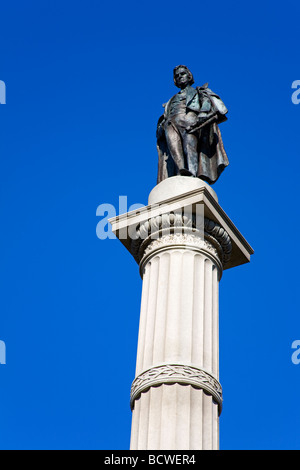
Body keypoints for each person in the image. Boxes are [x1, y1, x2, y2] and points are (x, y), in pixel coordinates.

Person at [156, 65, 229, 185]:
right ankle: (180, 172)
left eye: (182, 74)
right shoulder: (171, 100)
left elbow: (209, 106)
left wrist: (201, 117)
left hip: (190, 122)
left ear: (189, 76)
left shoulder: (198, 91)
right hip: (171, 123)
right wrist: (161, 126)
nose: (180, 77)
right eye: (177, 76)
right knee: (174, 149)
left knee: (190, 147)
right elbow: (165, 116)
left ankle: (192, 176)